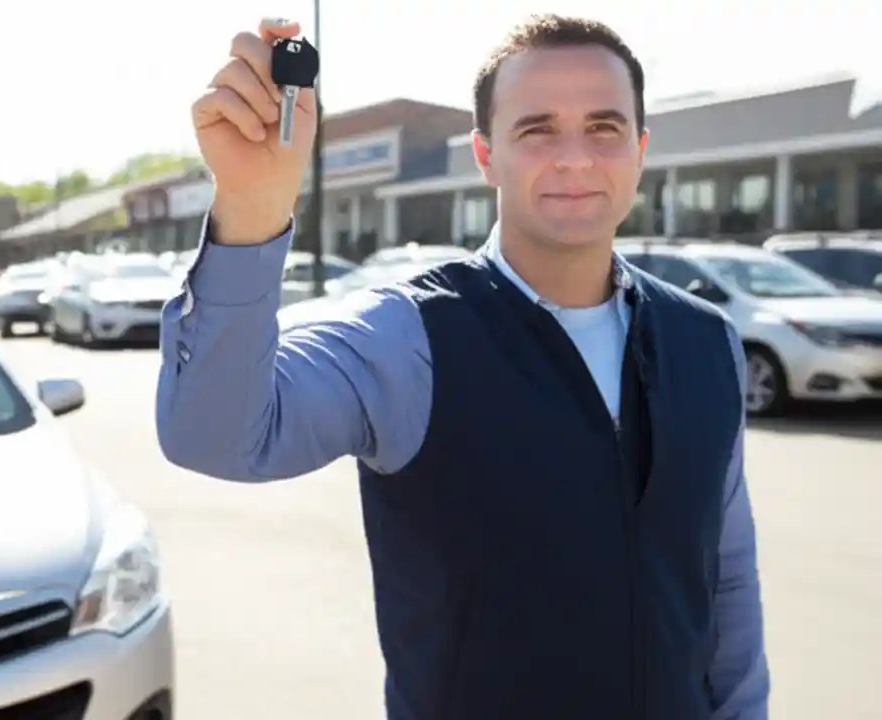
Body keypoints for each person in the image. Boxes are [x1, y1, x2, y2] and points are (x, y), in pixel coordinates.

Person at [157, 14, 770, 720]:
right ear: (485, 155)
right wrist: (252, 206)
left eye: (604, 127)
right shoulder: (408, 335)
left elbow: (724, 581)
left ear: (640, 148)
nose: (574, 156)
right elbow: (212, 433)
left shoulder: (705, 342)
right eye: (536, 129)